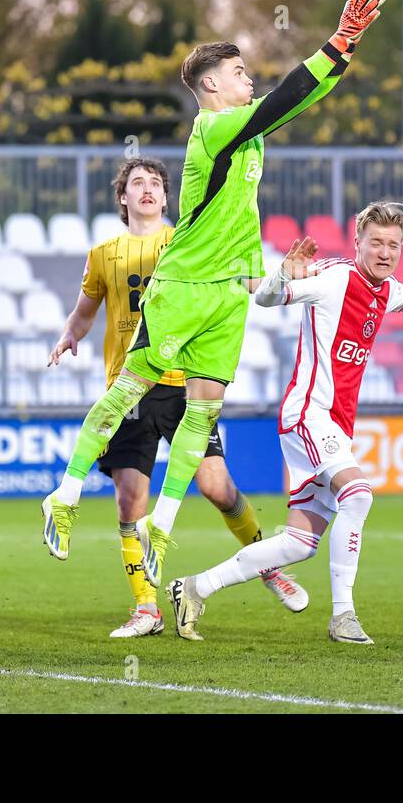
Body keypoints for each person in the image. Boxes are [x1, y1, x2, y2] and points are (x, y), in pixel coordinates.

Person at [41, 0, 389, 589]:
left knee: (202, 409)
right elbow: (284, 99)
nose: (247, 77)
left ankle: (162, 529)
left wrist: (346, 53)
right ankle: (64, 496)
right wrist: (335, 42)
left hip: (229, 291)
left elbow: (289, 109)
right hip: (184, 284)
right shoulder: (211, 130)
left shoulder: (247, 139)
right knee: (130, 390)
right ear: (210, 86)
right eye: (238, 70)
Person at [165, 201, 403, 644]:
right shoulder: (336, 278)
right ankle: (344, 617)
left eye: (393, 245)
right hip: (307, 413)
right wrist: (285, 272)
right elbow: (265, 297)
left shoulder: (386, 289)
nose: (384, 251)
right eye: (375, 242)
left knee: (299, 543)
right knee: (358, 495)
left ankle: (194, 588)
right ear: (357, 242)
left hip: (334, 425)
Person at [47, 156, 307, 637]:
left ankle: (268, 566)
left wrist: (285, 278)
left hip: (184, 385)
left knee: (218, 488)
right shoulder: (103, 253)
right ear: (123, 198)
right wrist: (69, 334)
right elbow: (86, 309)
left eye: (155, 184)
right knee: (130, 501)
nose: (147, 190)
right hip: (129, 386)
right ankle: (147, 608)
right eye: (137, 183)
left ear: (168, 198)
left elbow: (246, 284)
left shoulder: (189, 241)